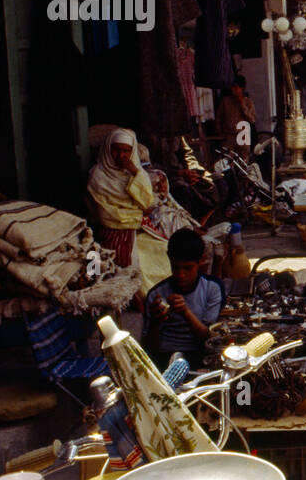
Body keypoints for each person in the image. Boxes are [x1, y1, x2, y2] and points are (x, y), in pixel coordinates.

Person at [144, 229, 224, 371]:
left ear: (201, 261)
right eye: (176, 267)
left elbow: (208, 337)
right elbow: (150, 347)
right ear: (169, 259)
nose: (181, 275)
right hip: (165, 356)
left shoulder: (212, 288)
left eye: (188, 268)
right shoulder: (156, 294)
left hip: (201, 354)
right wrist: (156, 322)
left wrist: (186, 312)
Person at [87, 127, 154, 270]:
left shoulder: (137, 173)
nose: (121, 155)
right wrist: (137, 215)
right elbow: (104, 214)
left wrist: (134, 172)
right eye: (116, 150)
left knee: (159, 254)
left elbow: (147, 201)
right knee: (121, 267)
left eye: (126, 151)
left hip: (138, 228)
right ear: (107, 149)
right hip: (112, 231)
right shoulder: (98, 175)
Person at [215, 76, 257, 159]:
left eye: (236, 87)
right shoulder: (225, 101)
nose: (233, 89)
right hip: (228, 136)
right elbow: (218, 118)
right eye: (232, 87)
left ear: (242, 89)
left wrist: (242, 105)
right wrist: (220, 132)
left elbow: (252, 120)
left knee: (243, 161)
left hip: (243, 135)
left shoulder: (248, 102)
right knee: (227, 161)